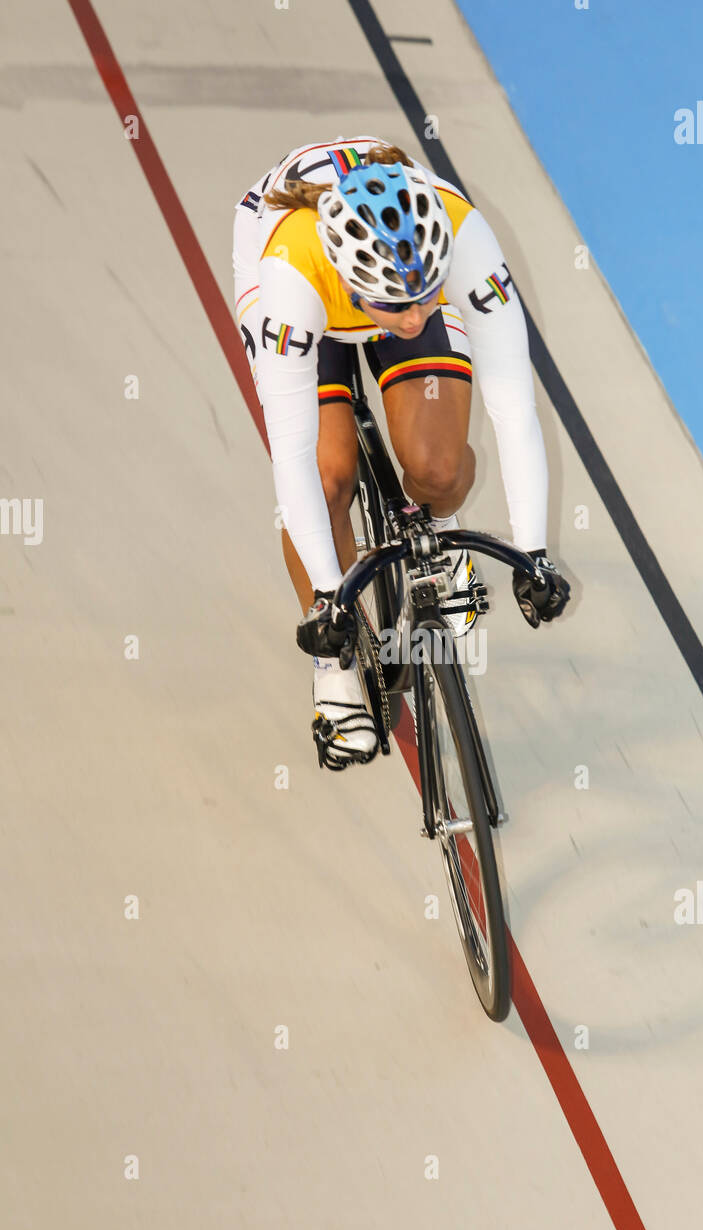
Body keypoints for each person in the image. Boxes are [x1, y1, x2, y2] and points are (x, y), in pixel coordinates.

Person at [232, 136, 569, 768]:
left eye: (424, 298)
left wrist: (534, 553)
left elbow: (514, 410)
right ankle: (334, 676)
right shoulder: (291, 271)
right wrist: (330, 602)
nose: (413, 319)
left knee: (439, 468)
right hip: (308, 291)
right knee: (329, 475)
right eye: (396, 306)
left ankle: (439, 531)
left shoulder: (461, 237)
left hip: (395, 264)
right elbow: (293, 456)